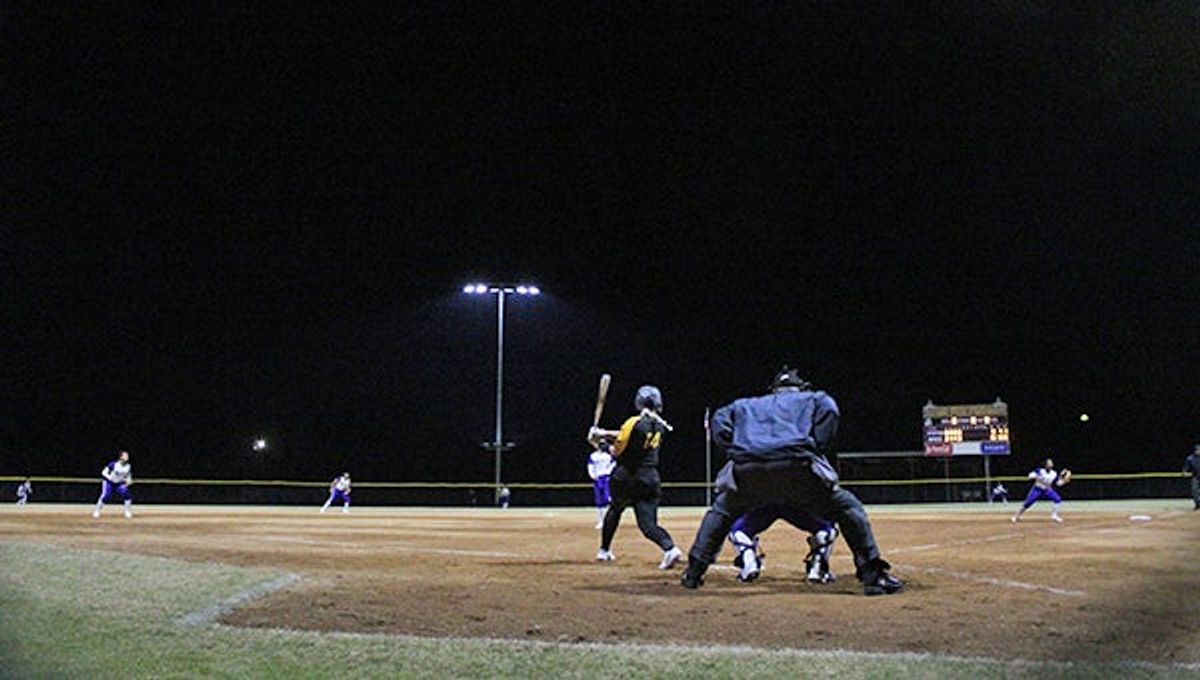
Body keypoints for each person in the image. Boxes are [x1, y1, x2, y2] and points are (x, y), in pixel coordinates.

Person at [680, 367, 902, 596]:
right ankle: (873, 576)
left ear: (774, 390)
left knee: (722, 511)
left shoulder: (744, 404)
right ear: (801, 388)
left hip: (749, 470)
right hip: (796, 469)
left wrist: (736, 451)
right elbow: (830, 411)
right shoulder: (814, 398)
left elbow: (720, 420)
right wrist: (816, 447)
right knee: (847, 507)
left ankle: (694, 572)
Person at [589, 385, 684, 570]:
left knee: (615, 509)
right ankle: (669, 548)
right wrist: (603, 433)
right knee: (648, 525)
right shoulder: (661, 426)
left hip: (626, 477)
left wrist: (598, 442)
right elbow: (630, 435)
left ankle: (604, 550)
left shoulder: (633, 422)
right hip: (650, 478)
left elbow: (617, 449)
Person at [727, 502, 839, 584]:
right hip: (795, 499)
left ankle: (749, 563)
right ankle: (817, 569)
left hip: (766, 499)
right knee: (827, 530)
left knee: (738, 531)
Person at [1011, 458, 1071, 523]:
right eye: (1049, 463)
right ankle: (1016, 516)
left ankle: (1054, 516)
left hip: (1047, 490)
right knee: (1028, 503)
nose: (1051, 464)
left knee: (1058, 499)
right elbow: (1029, 476)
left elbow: (1058, 484)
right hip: (1037, 489)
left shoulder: (1054, 473)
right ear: (1046, 465)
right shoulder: (1040, 470)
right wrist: (1036, 476)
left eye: (1051, 462)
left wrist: (1065, 481)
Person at [93, 451, 133, 519]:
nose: (127, 457)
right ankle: (97, 511)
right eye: (125, 455)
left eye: (127, 456)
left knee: (127, 494)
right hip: (109, 482)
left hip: (119, 483)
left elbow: (128, 475)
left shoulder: (128, 466)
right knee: (106, 495)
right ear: (121, 457)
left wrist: (129, 480)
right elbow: (103, 472)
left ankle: (127, 511)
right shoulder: (113, 464)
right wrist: (109, 478)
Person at [587, 441, 616, 528]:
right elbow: (590, 465)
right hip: (598, 478)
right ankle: (601, 521)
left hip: (606, 478)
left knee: (608, 499)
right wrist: (592, 475)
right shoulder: (593, 456)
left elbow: (613, 464)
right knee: (599, 501)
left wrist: (608, 472)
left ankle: (609, 521)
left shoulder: (608, 456)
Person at [1183, 444, 1200, 511]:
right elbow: (1186, 467)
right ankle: (1198, 505)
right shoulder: (1190, 458)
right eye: (1197, 450)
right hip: (1195, 477)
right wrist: (1184, 472)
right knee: (1194, 491)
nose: (1198, 451)